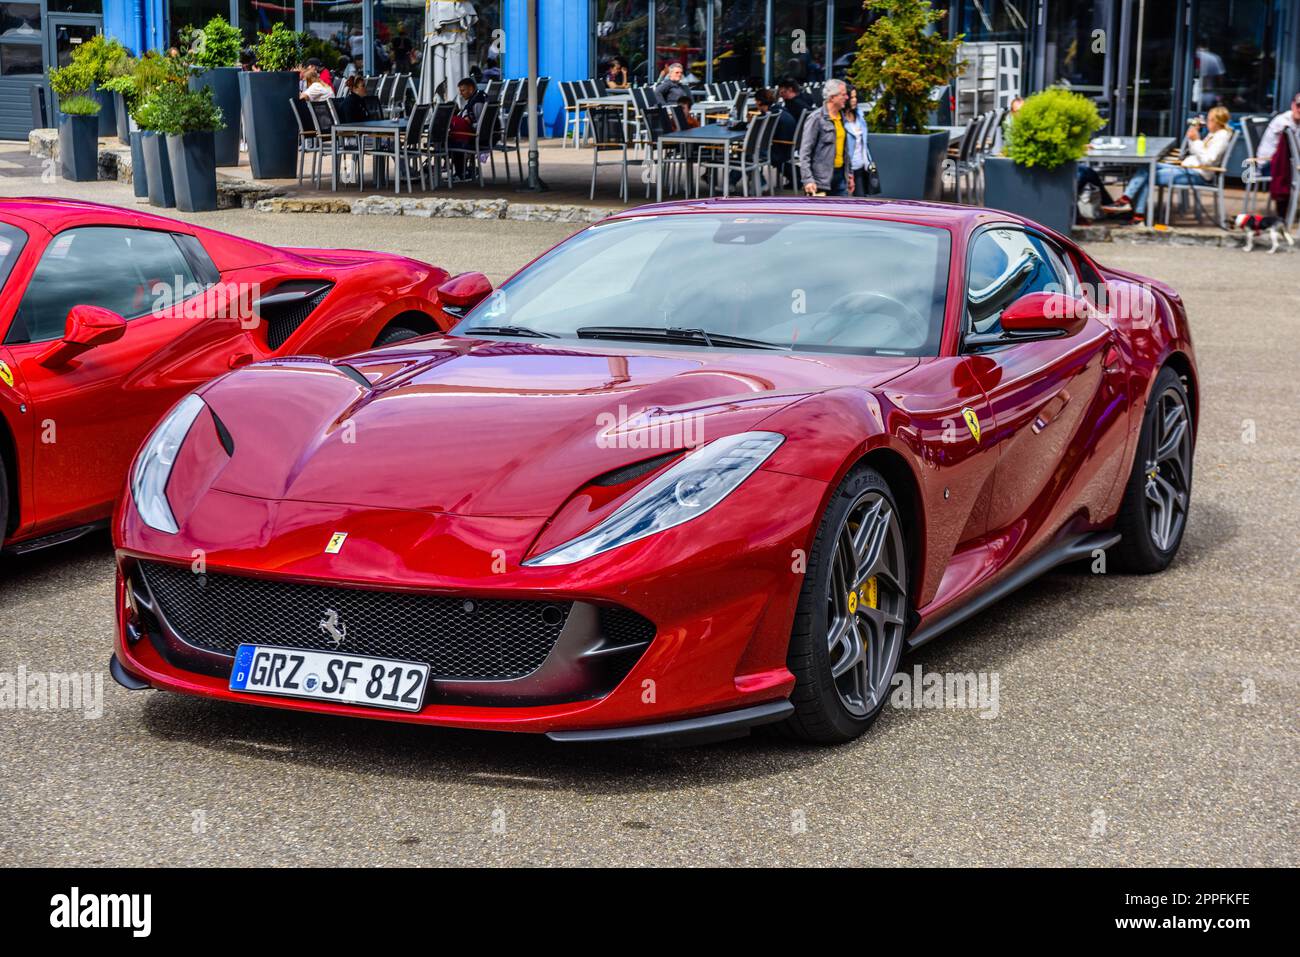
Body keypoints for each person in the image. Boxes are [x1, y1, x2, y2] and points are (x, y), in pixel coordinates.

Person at [1103, 105, 1233, 223]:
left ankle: (1137, 215)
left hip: (1197, 174)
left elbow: (1208, 160)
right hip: (1189, 167)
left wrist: (1197, 140)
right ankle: (1126, 201)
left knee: (1149, 176)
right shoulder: (1213, 134)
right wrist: (1192, 139)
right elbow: (1195, 151)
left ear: (1217, 122)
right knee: (1147, 167)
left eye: (1209, 120)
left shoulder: (1221, 138)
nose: (1207, 122)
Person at [798, 79, 854, 197]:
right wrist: (808, 179)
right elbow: (805, 152)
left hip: (840, 178)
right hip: (820, 181)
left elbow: (845, 150)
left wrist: (849, 174)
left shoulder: (841, 117)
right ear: (832, 97)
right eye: (843, 94)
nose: (847, 97)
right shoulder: (816, 118)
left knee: (840, 214)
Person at [1255, 92, 1300, 217]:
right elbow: (1295, 149)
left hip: (1284, 164)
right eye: (1298, 105)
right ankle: (1284, 211)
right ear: (1292, 105)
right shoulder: (1283, 122)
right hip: (1268, 165)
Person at [843, 84, 873, 196]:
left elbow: (864, 142)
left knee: (861, 199)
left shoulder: (859, 115)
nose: (854, 100)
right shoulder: (840, 119)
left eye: (855, 97)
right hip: (846, 168)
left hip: (860, 165)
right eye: (851, 98)